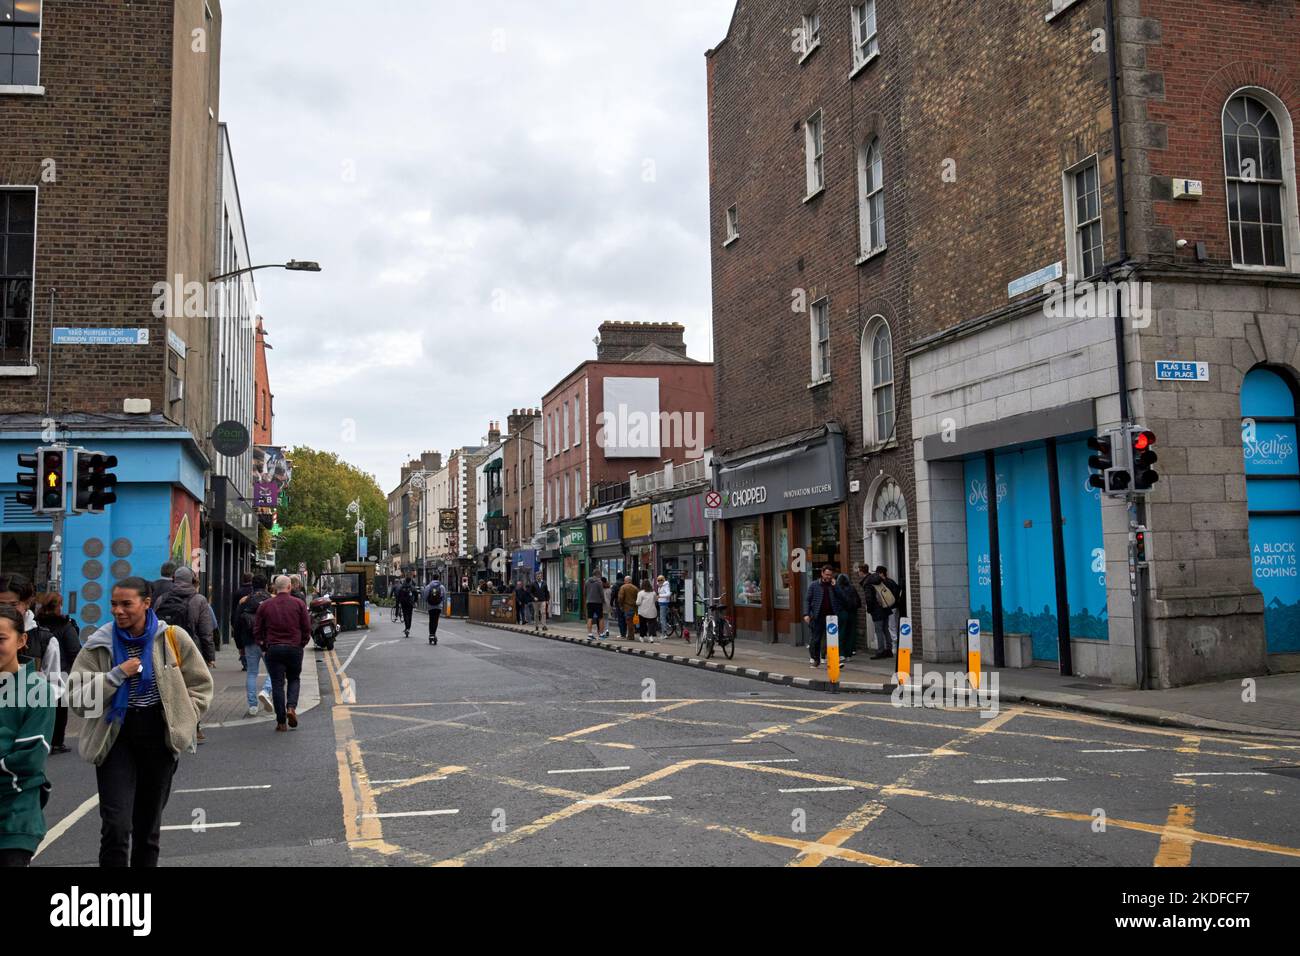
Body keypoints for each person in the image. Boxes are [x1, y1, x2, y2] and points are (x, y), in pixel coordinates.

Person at [69, 577, 213, 868]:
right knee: (116, 826)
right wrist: (115, 676)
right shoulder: (99, 645)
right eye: (113, 604)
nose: (118, 611)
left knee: (148, 829)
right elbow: (76, 698)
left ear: (146, 604)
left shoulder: (172, 638)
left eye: (126, 604)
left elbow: (200, 684)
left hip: (158, 738)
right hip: (115, 737)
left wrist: (185, 718)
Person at [0, 605, 55, 867]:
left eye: (1, 639)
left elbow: (29, 760)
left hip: (14, 819)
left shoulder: (37, 691)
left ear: (21, 641)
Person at [253, 576, 312, 733]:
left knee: (277, 683)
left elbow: (257, 630)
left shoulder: (265, 606)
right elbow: (307, 628)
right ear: (289, 587)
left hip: (274, 648)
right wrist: (302, 643)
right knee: (294, 678)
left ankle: (281, 722)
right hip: (294, 648)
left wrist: (264, 646)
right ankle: (291, 707)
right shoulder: (299, 604)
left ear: (274, 587)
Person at [0, 575, 62, 712]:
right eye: (1, 604)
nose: (6, 610)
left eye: (13, 605)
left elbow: (55, 686)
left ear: (27, 603)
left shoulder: (45, 640)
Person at [33, 592, 82, 754]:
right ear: (58, 606)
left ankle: (39, 738)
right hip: (61, 673)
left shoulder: (34, 624)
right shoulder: (65, 625)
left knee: (39, 708)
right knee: (60, 710)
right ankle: (57, 742)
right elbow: (74, 650)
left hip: (38, 671)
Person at [235, 576, 274, 717]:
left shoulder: (244, 601)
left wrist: (239, 645)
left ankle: (252, 706)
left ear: (252, 585)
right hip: (267, 641)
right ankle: (266, 690)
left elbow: (237, 624)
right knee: (274, 671)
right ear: (266, 585)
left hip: (249, 641)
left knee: (251, 672)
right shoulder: (271, 600)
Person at [803, 565, 845, 668]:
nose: (828, 577)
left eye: (830, 575)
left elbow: (843, 598)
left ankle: (834, 661)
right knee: (815, 640)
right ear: (822, 573)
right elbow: (807, 600)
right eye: (826, 574)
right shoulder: (814, 585)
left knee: (832, 640)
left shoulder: (834, 585)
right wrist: (806, 614)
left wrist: (836, 587)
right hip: (817, 616)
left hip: (831, 617)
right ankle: (816, 659)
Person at [863, 565, 902, 659]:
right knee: (886, 629)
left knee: (878, 630)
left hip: (877, 610)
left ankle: (880, 651)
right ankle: (889, 649)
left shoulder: (868, 583)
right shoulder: (882, 581)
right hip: (886, 608)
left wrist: (869, 609)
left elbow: (869, 599)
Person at [834, 573, 861, 662]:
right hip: (852, 613)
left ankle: (841, 654)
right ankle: (848, 654)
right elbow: (858, 601)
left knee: (841, 633)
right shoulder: (852, 588)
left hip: (842, 613)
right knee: (850, 634)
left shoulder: (838, 589)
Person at [231, 573, 254, 669]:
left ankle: (244, 660)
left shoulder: (238, 592)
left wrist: (232, 621)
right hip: (251, 620)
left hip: (240, 619)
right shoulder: (253, 591)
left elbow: (234, 608)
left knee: (241, 639)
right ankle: (249, 660)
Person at [584, 571, 607, 640]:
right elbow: (601, 593)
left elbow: (584, 592)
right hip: (598, 602)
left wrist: (587, 599)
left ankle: (590, 634)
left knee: (590, 618)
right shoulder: (599, 582)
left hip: (589, 602)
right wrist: (603, 601)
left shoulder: (587, 582)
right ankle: (601, 634)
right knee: (600, 618)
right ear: (598, 575)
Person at [423, 574, 445, 645]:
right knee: (436, 621)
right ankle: (434, 634)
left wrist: (427, 602)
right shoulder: (441, 587)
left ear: (432, 578)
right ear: (438, 578)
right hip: (438, 606)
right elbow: (444, 597)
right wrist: (441, 603)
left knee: (431, 620)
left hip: (430, 606)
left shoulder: (428, 586)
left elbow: (425, 597)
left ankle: (431, 635)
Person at [616, 575, 638, 640]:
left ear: (626, 581)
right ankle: (631, 635)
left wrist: (620, 605)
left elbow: (620, 597)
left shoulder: (623, 587)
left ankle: (630, 636)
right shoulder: (635, 588)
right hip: (634, 607)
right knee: (632, 622)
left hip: (627, 607)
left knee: (628, 621)